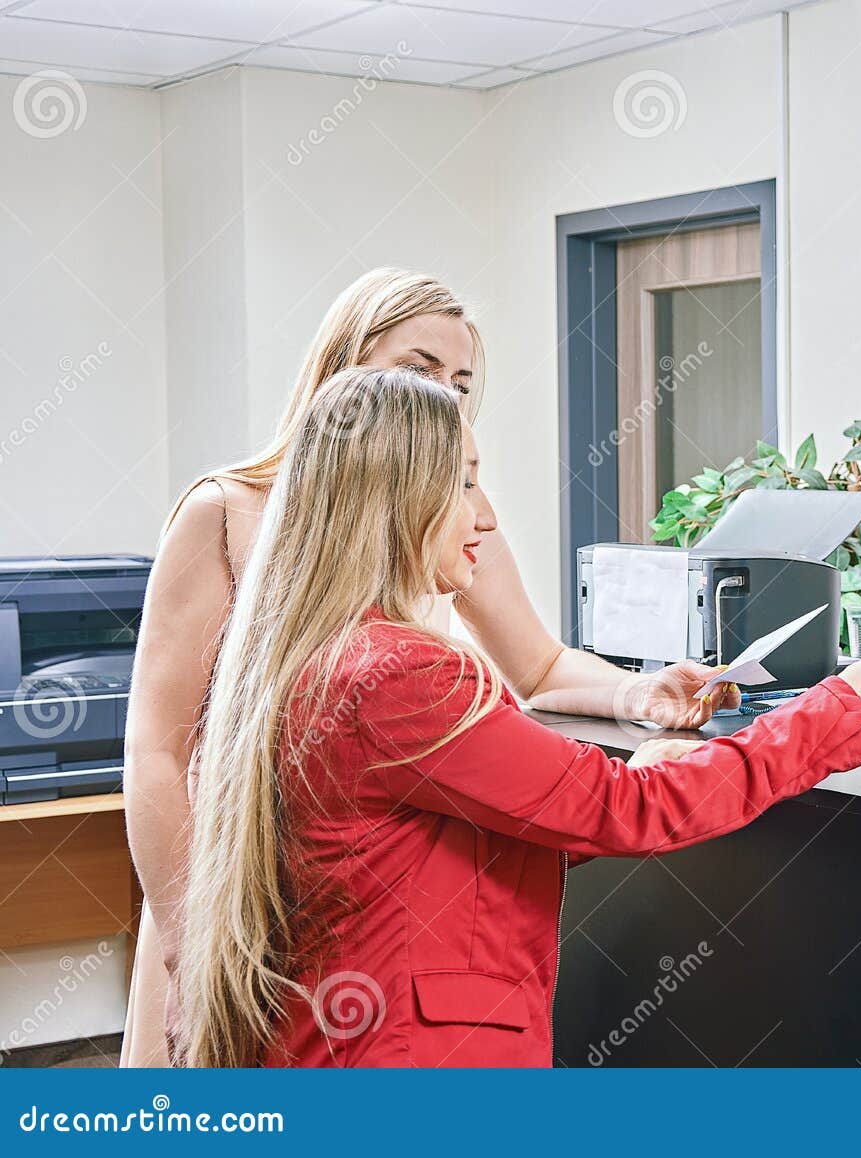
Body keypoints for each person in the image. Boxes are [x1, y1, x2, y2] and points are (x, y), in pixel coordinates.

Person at [176, 367, 861, 1067]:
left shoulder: (307, 659)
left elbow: (425, 851)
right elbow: (633, 813)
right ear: (393, 498)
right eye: (464, 482)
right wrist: (843, 704)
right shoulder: (401, 673)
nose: (487, 516)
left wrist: (634, 765)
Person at [123, 270, 742, 1066]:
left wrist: (640, 692)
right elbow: (158, 752)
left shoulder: (442, 509)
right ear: (344, 366)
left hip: (362, 905)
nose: (445, 397)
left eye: (461, 383)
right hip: (228, 892)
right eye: (420, 370)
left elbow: (539, 665)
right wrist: (187, 943)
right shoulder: (225, 510)